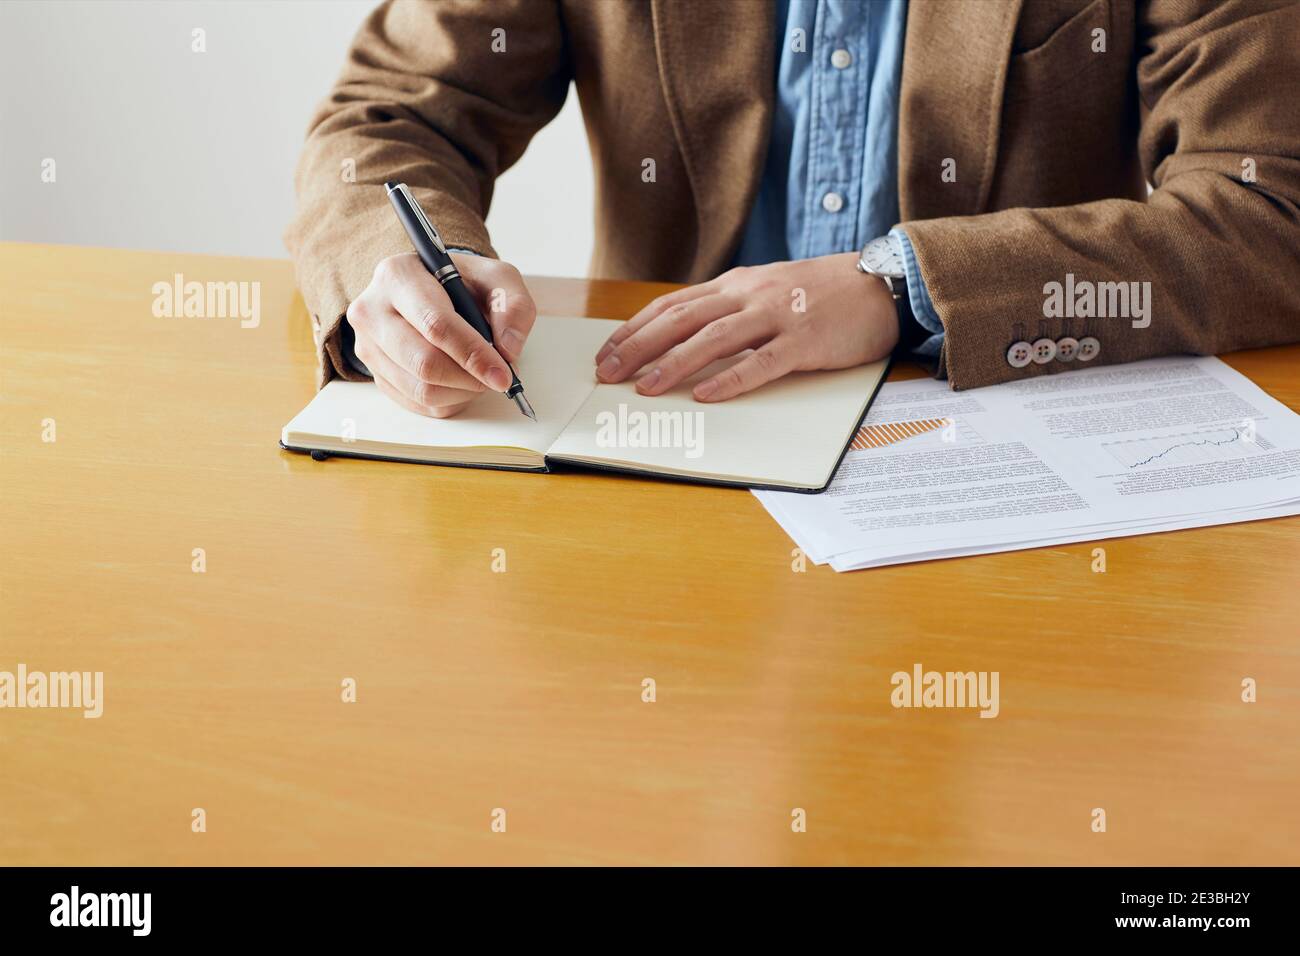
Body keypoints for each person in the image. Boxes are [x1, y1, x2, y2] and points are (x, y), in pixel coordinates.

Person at [286, 0, 1300, 419]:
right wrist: (407, 267)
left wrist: (900, 287)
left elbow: (1267, 206)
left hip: (1010, 425)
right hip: (667, 425)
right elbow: (386, 117)